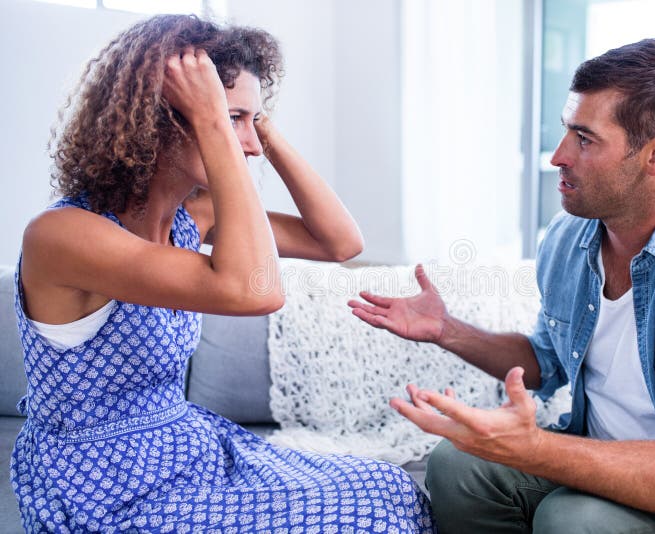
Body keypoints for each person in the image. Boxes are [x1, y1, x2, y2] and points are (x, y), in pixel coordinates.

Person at [349, 39, 655, 533]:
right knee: (456, 464)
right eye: (567, 130)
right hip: (599, 455)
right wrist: (446, 329)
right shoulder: (569, 237)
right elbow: (547, 361)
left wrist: (536, 448)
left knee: (571, 519)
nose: (558, 156)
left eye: (585, 139)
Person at [11, 14, 434, 533]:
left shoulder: (193, 216)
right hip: (105, 487)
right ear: (162, 120)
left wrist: (257, 127)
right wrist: (215, 121)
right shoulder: (62, 235)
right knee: (361, 522)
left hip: (184, 449)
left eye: (252, 122)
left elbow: (340, 242)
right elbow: (254, 291)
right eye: (233, 118)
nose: (249, 145)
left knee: (387, 487)